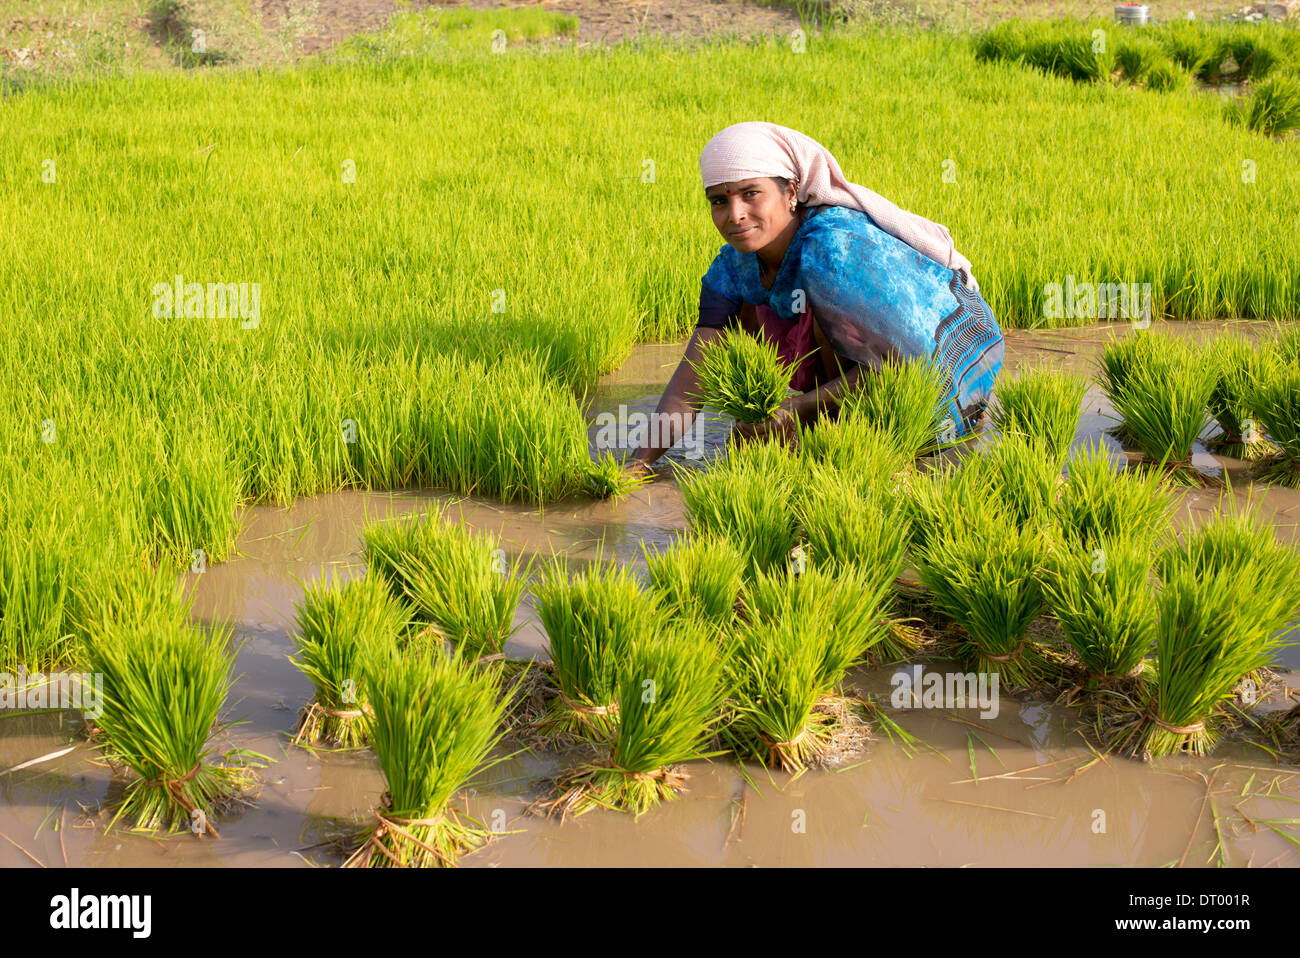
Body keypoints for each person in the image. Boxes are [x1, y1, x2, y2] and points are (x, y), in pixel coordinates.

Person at [621, 121, 1004, 480]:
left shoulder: (833, 248)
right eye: (719, 200)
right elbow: (694, 375)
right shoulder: (732, 269)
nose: (734, 215)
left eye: (750, 193)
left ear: (790, 192)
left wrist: (794, 410)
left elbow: (897, 366)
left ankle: (845, 432)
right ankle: (829, 423)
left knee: (823, 311)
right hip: (879, 362)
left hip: (944, 362)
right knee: (748, 315)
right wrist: (641, 463)